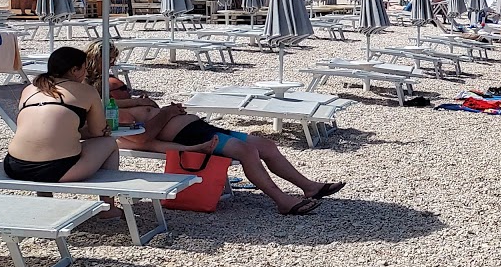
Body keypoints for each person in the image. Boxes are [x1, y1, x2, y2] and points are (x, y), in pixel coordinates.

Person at [84, 42, 343, 215]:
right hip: (189, 135)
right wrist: (167, 113)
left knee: (265, 145)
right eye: (119, 86)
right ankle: (282, 201)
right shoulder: (111, 112)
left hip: (196, 128)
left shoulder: (121, 101)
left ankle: (309, 186)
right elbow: (143, 139)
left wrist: (147, 103)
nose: (123, 86)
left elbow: (140, 112)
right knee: (246, 151)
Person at [5, 47, 122, 215]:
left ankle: (45, 201)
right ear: (74, 70)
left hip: (15, 165)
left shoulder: (29, 89)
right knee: (109, 143)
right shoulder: (86, 91)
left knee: (49, 147)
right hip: (56, 170)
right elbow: (98, 132)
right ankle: (108, 207)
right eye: (84, 68)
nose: (85, 72)